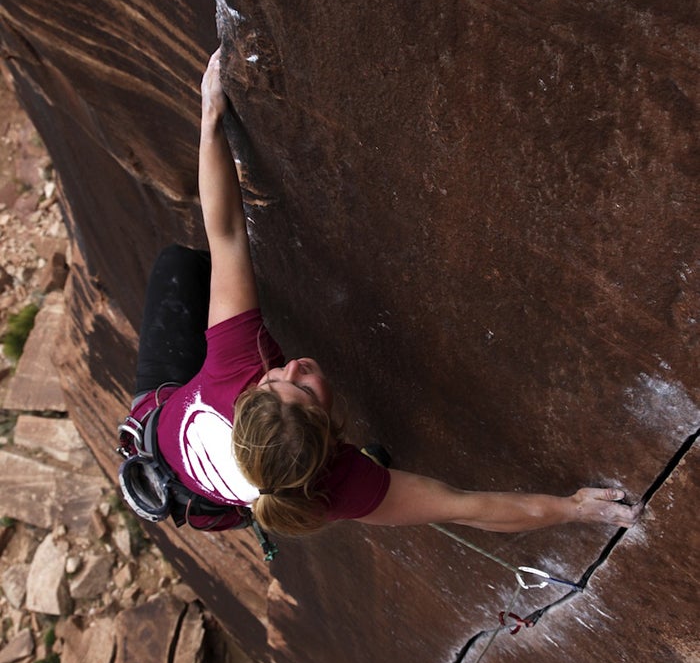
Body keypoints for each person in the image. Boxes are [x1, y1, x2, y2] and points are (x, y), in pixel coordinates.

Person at [125, 46, 642, 539]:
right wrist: (573, 509)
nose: (293, 366)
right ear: (329, 440)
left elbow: (228, 233)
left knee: (179, 264)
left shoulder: (233, 368)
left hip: (157, 422)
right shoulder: (336, 489)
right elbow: (467, 507)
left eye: (274, 380)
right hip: (210, 486)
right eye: (303, 388)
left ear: (246, 402)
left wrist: (211, 115)